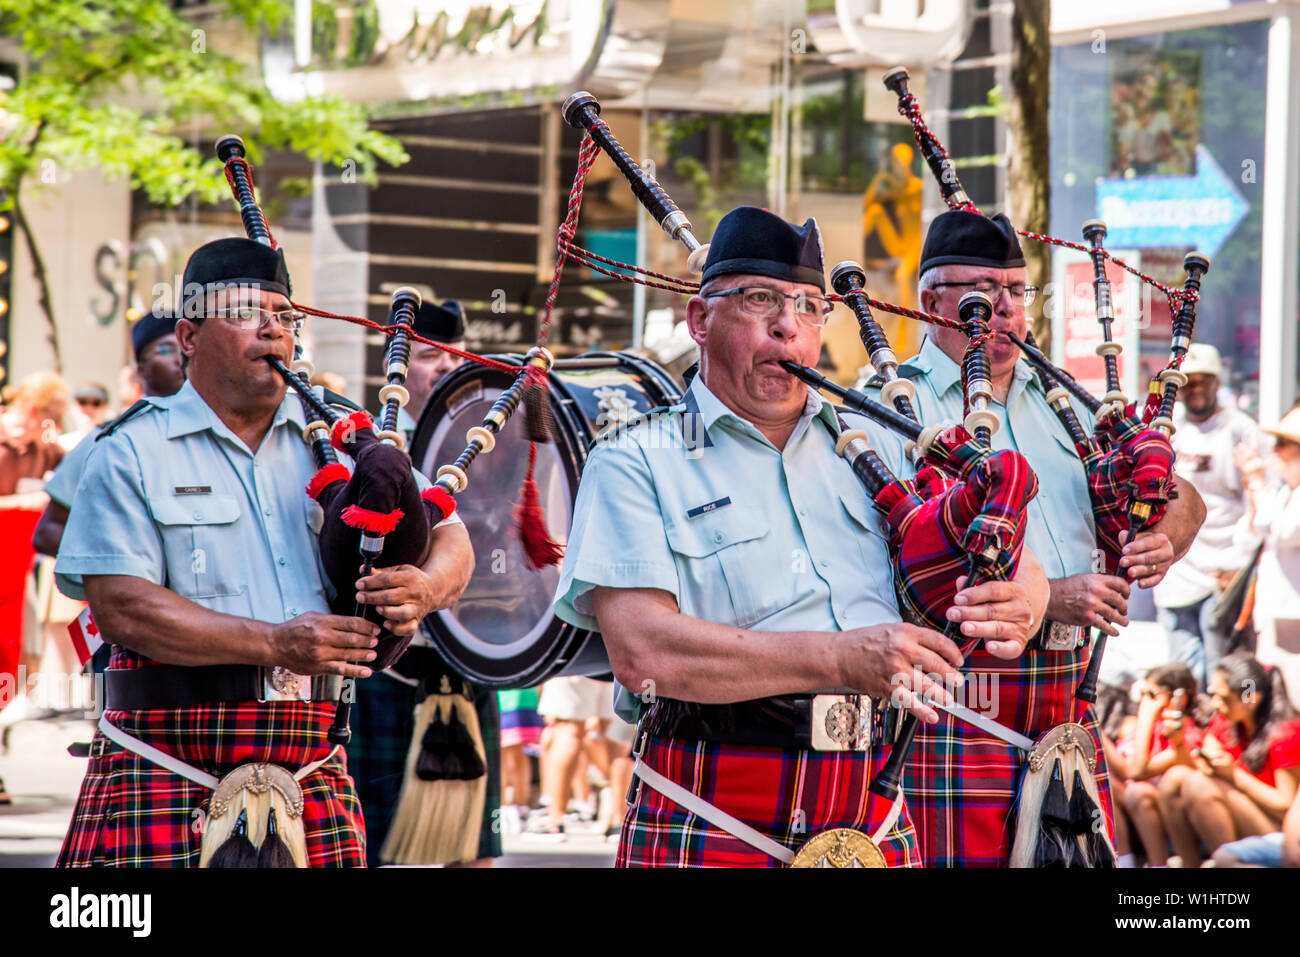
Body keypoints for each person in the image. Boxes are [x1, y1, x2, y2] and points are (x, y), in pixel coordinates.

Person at [553, 206, 1047, 868]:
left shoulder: (879, 446)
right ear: (701, 320)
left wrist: (1027, 595)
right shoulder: (638, 459)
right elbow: (645, 652)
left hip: (873, 807)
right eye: (761, 300)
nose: (789, 324)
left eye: (811, 306)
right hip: (709, 803)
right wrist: (842, 658)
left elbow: (1002, 549)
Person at [52, 237, 473, 866]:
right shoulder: (131, 448)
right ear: (189, 336)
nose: (273, 331)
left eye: (285, 317)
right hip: (167, 763)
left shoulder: (343, 437)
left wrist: (427, 587)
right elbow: (123, 609)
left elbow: (449, 531)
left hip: (313, 769)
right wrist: (275, 644)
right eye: (249, 314)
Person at [869, 209, 1206, 866]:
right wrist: (1053, 596)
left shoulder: (1069, 403)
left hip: (1063, 708)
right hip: (954, 704)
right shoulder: (889, 406)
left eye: (1016, 292)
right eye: (978, 292)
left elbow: (1178, 495)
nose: (1001, 309)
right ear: (929, 300)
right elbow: (897, 572)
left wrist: (1168, 532)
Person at [345, 296, 502, 867]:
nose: (445, 366)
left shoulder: (497, 445)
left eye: (454, 355)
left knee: (475, 851)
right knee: (367, 846)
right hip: (387, 664)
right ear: (397, 361)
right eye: (430, 354)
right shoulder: (366, 447)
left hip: (469, 661)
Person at [1152, 343, 1264, 686]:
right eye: (1188, 383)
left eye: (1203, 381)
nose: (1195, 390)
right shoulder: (1169, 430)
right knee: (1181, 674)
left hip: (1223, 566)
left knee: (1222, 672)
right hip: (1176, 569)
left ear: (1217, 383)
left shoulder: (1239, 429)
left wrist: (1242, 562)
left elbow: (1258, 497)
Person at [1158, 653, 1299, 866]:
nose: (1215, 703)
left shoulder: (1285, 732)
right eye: (1213, 694)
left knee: (1199, 785)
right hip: (1243, 809)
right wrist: (1179, 744)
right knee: (1175, 778)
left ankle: (1227, 862)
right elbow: (1195, 767)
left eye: (1224, 698)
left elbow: (1284, 804)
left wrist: (1234, 775)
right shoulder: (1227, 722)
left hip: (1278, 831)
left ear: (1251, 698)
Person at [1106, 663, 1203, 866]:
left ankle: (1159, 864)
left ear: (1179, 699)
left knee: (1138, 792)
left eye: (1152, 695)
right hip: (1147, 813)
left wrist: (1146, 716)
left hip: (1178, 818)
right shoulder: (1155, 727)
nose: (1145, 701)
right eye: (1143, 694)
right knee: (1108, 783)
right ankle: (1124, 862)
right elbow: (1126, 771)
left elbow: (1135, 771)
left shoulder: (1184, 731)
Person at [1238, 406, 1300, 709]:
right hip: (1274, 616)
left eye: (1283, 443)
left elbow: (1287, 530)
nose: (1274, 450)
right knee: (1270, 703)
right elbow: (1247, 536)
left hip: (1294, 619)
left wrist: (1257, 483)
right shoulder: (1281, 493)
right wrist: (1257, 488)